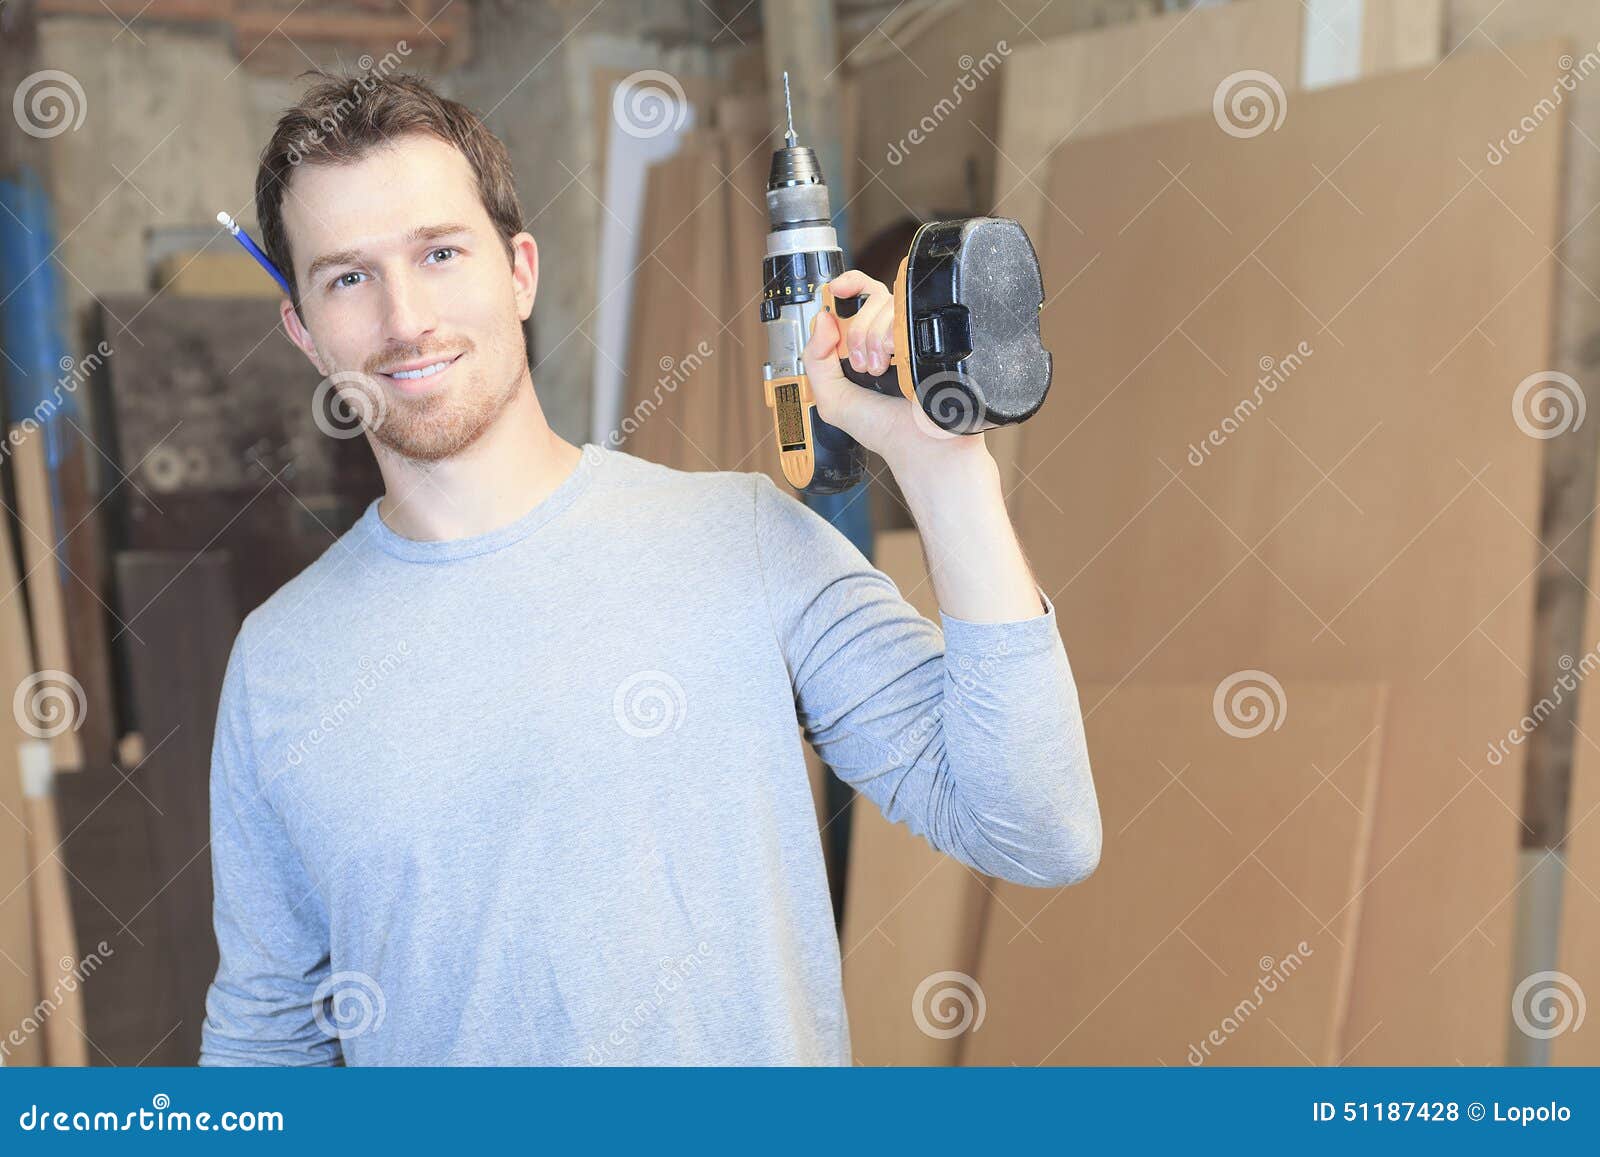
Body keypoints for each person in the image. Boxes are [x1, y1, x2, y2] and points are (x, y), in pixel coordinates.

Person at [198, 70, 1099, 1067]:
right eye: (347, 278)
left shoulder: (744, 539)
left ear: (520, 271)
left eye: (440, 253)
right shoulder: (279, 663)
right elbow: (267, 1034)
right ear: (303, 330)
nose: (404, 318)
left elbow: (1037, 827)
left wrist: (942, 465)